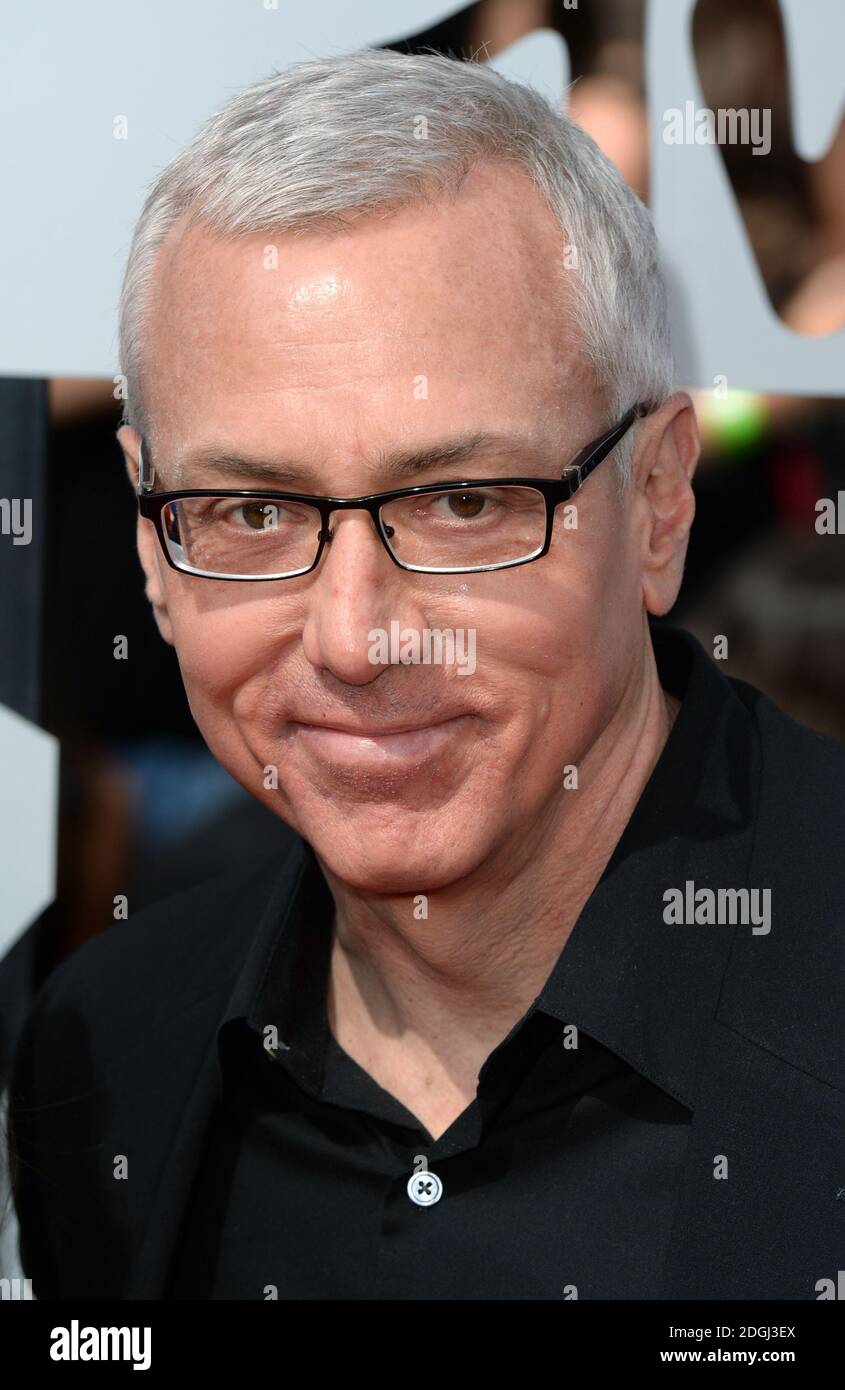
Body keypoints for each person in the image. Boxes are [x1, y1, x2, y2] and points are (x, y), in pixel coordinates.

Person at [9, 48, 844, 1301]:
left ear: (659, 503)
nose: (355, 638)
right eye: (249, 510)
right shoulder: (108, 1048)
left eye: (462, 501)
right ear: (152, 550)